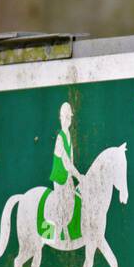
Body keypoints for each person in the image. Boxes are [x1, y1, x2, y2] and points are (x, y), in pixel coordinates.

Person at [45, 101, 81, 242]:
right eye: (63, 117)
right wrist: (79, 176)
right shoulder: (60, 138)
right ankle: (53, 233)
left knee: (72, 198)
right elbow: (66, 163)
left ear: (71, 119)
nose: (65, 120)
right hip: (59, 177)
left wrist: (74, 178)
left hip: (67, 176)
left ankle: (67, 231)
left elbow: (71, 160)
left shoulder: (69, 136)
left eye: (68, 117)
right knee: (60, 203)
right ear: (60, 118)